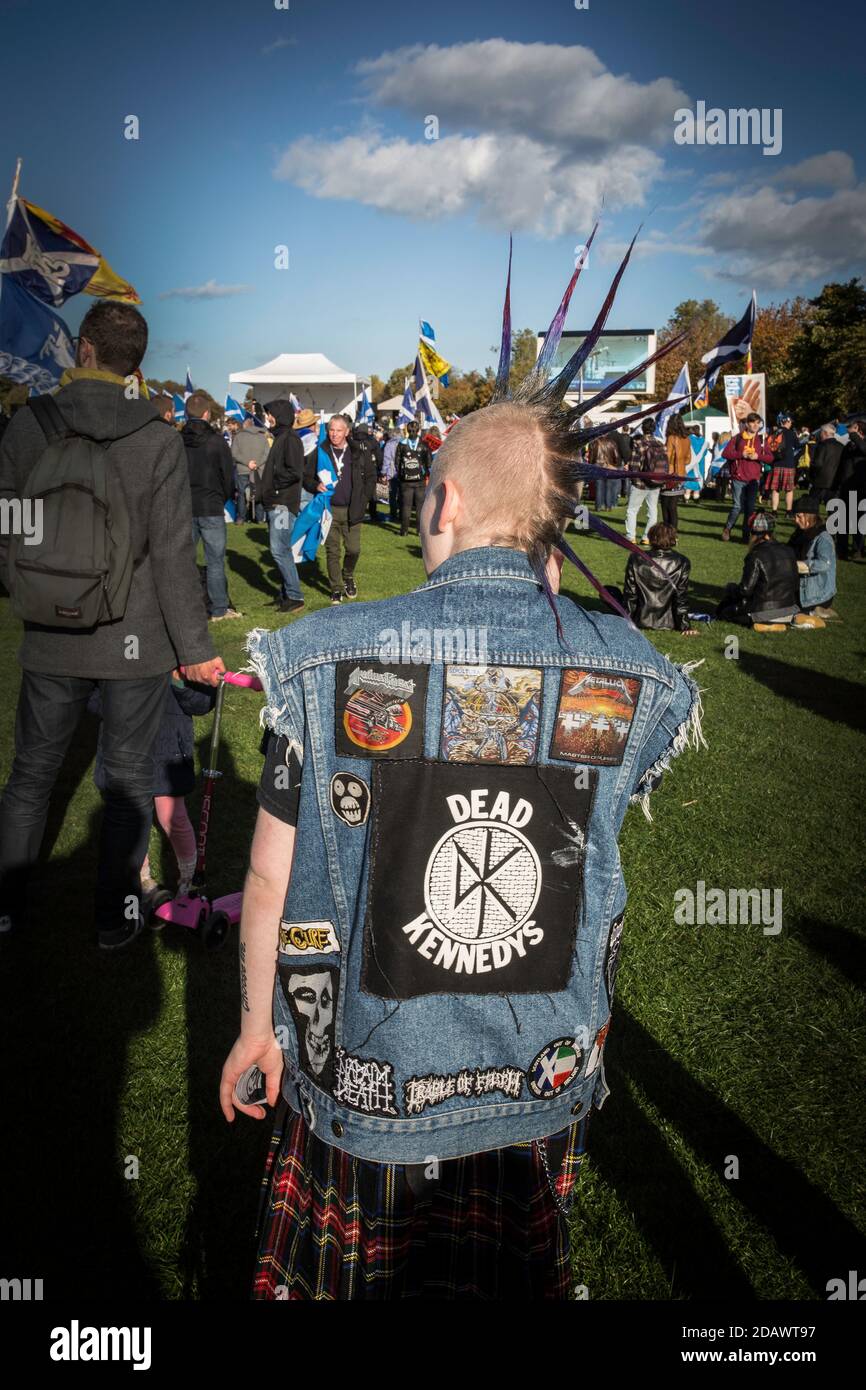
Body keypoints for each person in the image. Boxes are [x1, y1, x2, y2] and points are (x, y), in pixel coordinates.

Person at [219, 250, 704, 1302]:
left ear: (438, 504)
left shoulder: (320, 653)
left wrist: (256, 1028)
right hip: (540, 1084)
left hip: (367, 1093)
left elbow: (266, 880)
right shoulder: (632, 671)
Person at [0, 300, 224, 946]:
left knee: (30, 777)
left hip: (49, 637)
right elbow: (176, 558)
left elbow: (9, 527)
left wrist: (32, 590)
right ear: (137, 364)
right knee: (126, 782)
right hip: (135, 642)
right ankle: (113, 920)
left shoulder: (29, 425)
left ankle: (9, 908)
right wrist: (196, 648)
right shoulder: (155, 438)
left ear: (85, 350)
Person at [87, 670, 217, 907]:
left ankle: (190, 879)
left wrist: (179, 680)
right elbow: (94, 699)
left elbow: (202, 703)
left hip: (167, 750)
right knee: (130, 817)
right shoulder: (117, 648)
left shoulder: (183, 649)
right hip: (124, 747)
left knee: (173, 817)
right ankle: (141, 876)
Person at [182, 391, 241, 621]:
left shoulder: (177, 440)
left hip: (187, 505)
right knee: (214, 561)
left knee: (185, 561)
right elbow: (228, 476)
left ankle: (187, 607)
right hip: (210, 506)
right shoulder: (216, 441)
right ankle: (218, 608)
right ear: (206, 414)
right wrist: (223, 497)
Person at [322, 413, 376, 604]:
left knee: (353, 549)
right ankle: (336, 588)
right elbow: (308, 476)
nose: (334, 434)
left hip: (353, 509)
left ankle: (348, 575)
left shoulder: (358, 452)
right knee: (332, 551)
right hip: (328, 510)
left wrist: (364, 500)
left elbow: (371, 477)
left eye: (338, 430)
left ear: (346, 432)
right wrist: (314, 485)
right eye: (331, 430)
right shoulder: (321, 451)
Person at [257, 400, 305, 615]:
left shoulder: (290, 439)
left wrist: (274, 487)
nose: (268, 418)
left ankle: (295, 596)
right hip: (276, 503)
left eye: (271, 414)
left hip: (282, 504)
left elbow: (294, 471)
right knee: (279, 549)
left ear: (281, 414)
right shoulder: (281, 437)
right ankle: (285, 594)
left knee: (280, 550)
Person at [716, 510, 800, 629]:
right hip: (790, 611)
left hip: (763, 613)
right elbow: (796, 585)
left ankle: (766, 625)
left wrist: (731, 588)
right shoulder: (789, 551)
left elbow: (745, 590)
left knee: (724, 611)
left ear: (754, 534)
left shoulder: (755, 555)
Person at [622, 522, 697, 634]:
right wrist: (685, 626)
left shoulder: (635, 558)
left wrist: (625, 622)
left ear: (651, 538)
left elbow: (630, 595)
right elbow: (680, 597)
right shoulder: (682, 561)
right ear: (674, 539)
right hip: (668, 622)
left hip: (640, 619)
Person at [721, 413, 774, 543]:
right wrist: (741, 454)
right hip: (738, 477)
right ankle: (728, 528)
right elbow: (725, 453)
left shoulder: (761, 440)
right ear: (747, 424)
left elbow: (771, 458)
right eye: (753, 422)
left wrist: (758, 457)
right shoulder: (737, 438)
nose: (755, 425)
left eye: (758, 423)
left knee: (750, 508)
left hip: (753, 479)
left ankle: (745, 535)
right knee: (737, 506)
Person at [788, 496, 838, 618]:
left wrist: (798, 565)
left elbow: (824, 564)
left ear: (809, 516)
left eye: (799, 516)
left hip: (815, 593)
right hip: (801, 585)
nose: (795, 520)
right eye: (795, 516)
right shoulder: (800, 533)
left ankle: (816, 611)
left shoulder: (823, 537)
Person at [626, 417, 666, 545]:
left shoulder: (639, 443)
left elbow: (634, 464)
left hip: (640, 483)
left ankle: (631, 537)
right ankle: (647, 537)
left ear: (643, 428)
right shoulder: (660, 444)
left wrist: (633, 479)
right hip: (656, 482)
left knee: (632, 510)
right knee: (652, 510)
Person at [834, 418, 866, 561]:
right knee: (843, 521)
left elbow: (863, 449)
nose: (849, 429)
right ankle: (841, 550)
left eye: (852, 427)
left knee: (858, 522)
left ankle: (857, 549)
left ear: (859, 430)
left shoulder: (862, 444)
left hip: (860, 488)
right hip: (845, 487)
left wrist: (853, 435)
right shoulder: (849, 446)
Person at [232, 416, 271, 524]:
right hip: (259, 470)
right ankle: (259, 519)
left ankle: (241, 518)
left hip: (243, 469)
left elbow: (234, 454)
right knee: (259, 493)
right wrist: (257, 464)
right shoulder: (263, 437)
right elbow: (267, 454)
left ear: (245, 426)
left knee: (241, 494)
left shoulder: (238, 437)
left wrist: (247, 463)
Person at [395, 420, 432, 536]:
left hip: (405, 481)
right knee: (420, 506)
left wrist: (401, 475)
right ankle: (420, 531)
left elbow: (397, 462)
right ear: (418, 431)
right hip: (420, 480)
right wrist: (426, 474)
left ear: (407, 430)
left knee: (406, 505)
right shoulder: (424, 444)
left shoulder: (402, 444)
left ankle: (404, 530)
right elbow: (429, 462)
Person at [766, 412, 800, 517]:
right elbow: (798, 446)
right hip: (788, 464)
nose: (791, 424)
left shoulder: (774, 433)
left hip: (776, 463)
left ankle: (774, 512)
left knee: (775, 489)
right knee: (789, 490)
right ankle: (788, 512)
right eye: (790, 422)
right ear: (787, 421)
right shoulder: (791, 433)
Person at [351, 421, 383, 525]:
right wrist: (380, 469)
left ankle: (356, 512)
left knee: (356, 492)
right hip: (370, 471)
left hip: (356, 470)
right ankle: (372, 513)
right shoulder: (372, 441)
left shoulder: (353, 441)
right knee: (371, 494)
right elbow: (379, 457)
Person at [663, 414, 690, 528]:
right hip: (681, 475)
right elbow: (688, 459)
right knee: (673, 507)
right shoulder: (686, 439)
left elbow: (667, 458)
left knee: (665, 506)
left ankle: (667, 532)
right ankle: (673, 533)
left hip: (670, 475)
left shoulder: (671, 438)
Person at [808, 424, 843, 508]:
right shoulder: (841, 446)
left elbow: (817, 464)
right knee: (833, 510)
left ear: (825, 433)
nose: (820, 435)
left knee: (812, 508)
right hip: (835, 482)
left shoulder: (822, 446)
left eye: (821, 433)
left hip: (820, 482)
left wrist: (811, 475)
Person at [588, 434, 620, 512]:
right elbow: (616, 456)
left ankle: (598, 507)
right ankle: (608, 507)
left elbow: (591, 456)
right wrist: (615, 465)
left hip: (598, 466)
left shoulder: (594, 443)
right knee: (609, 487)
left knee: (599, 487)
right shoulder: (612, 442)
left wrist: (591, 465)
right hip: (609, 466)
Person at [381, 428, 401, 522]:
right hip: (402, 472)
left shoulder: (389, 444)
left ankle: (394, 514)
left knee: (392, 494)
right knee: (402, 494)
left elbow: (386, 459)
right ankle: (402, 514)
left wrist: (383, 472)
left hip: (392, 472)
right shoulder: (404, 443)